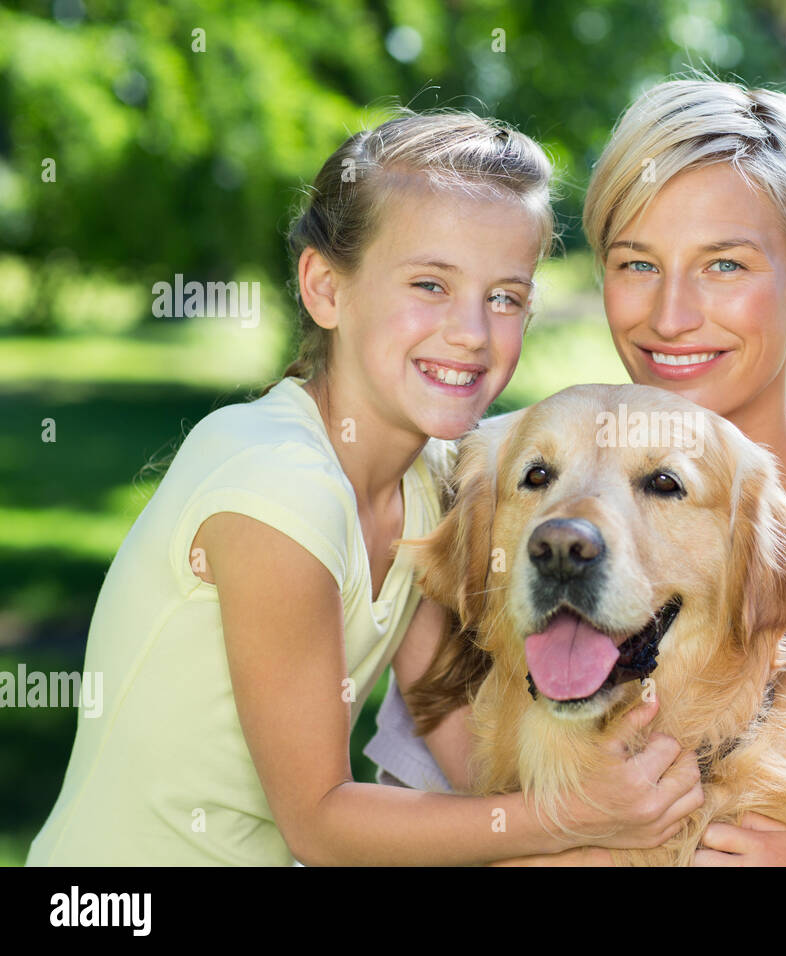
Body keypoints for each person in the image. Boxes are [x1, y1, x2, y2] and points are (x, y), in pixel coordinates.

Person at [26, 110, 702, 866]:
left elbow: (456, 731)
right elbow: (321, 824)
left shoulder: (422, 487)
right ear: (325, 288)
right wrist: (573, 816)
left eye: (504, 297)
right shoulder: (278, 484)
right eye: (429, 284)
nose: (472, 332)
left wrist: (645, 811)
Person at [365, 78, 786, 804]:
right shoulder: (507, 491)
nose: (672, 315)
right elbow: (410, 811)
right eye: (637, 264)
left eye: (725, 264)